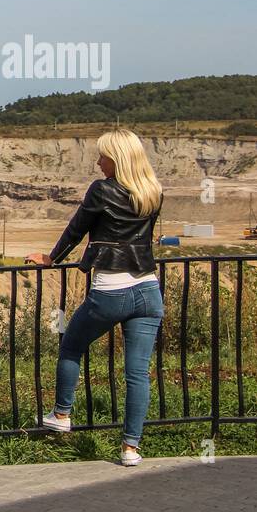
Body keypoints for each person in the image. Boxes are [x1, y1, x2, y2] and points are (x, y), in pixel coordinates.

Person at [25, 129, 164, 466]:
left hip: (110, 292)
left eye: (103, 156)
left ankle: (62, 414)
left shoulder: (101, 191)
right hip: (148, 290)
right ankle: (131, 448)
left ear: (117, 159)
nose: (98, 162)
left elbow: (77, 228)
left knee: (72, 345)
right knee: (137, 373)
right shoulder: (153, 192)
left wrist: (51, 258)